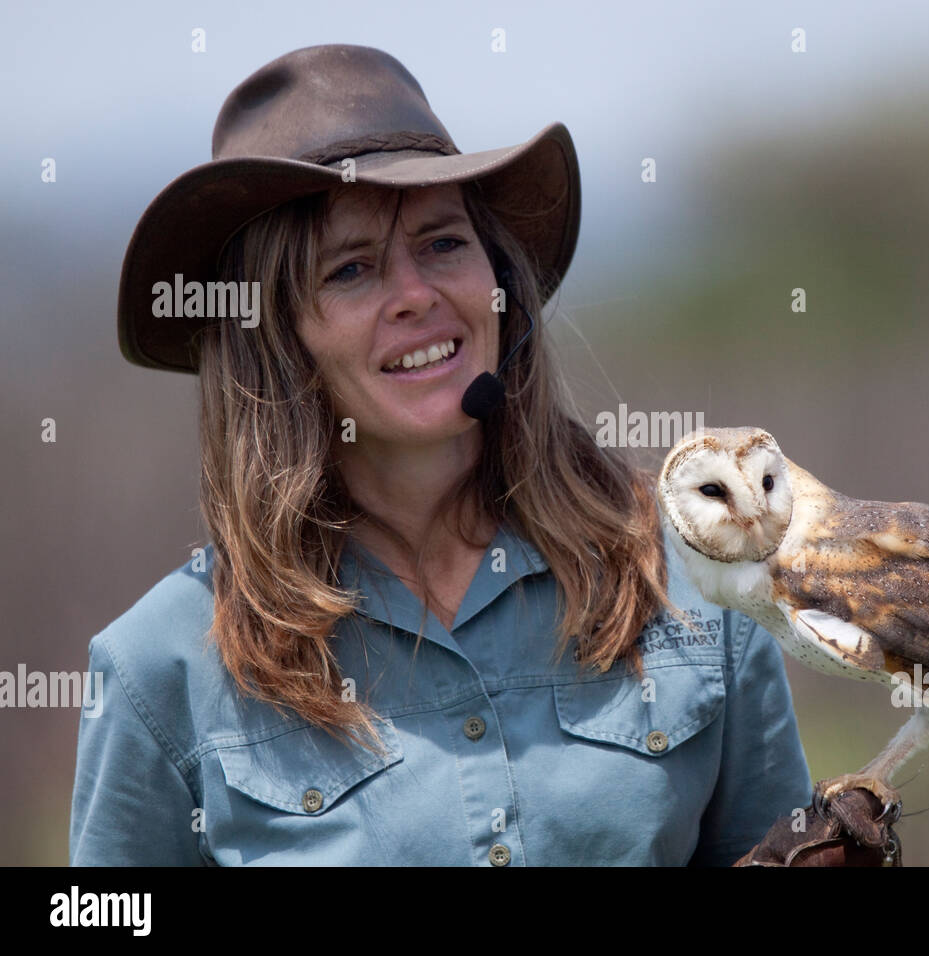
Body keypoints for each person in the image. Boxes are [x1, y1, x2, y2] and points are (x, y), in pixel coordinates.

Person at [68, 44, 814, 866]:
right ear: (276, 347)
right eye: (351, 269)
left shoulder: (693, 582)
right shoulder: (158, 668)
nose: (416, 293)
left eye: (443, 244)